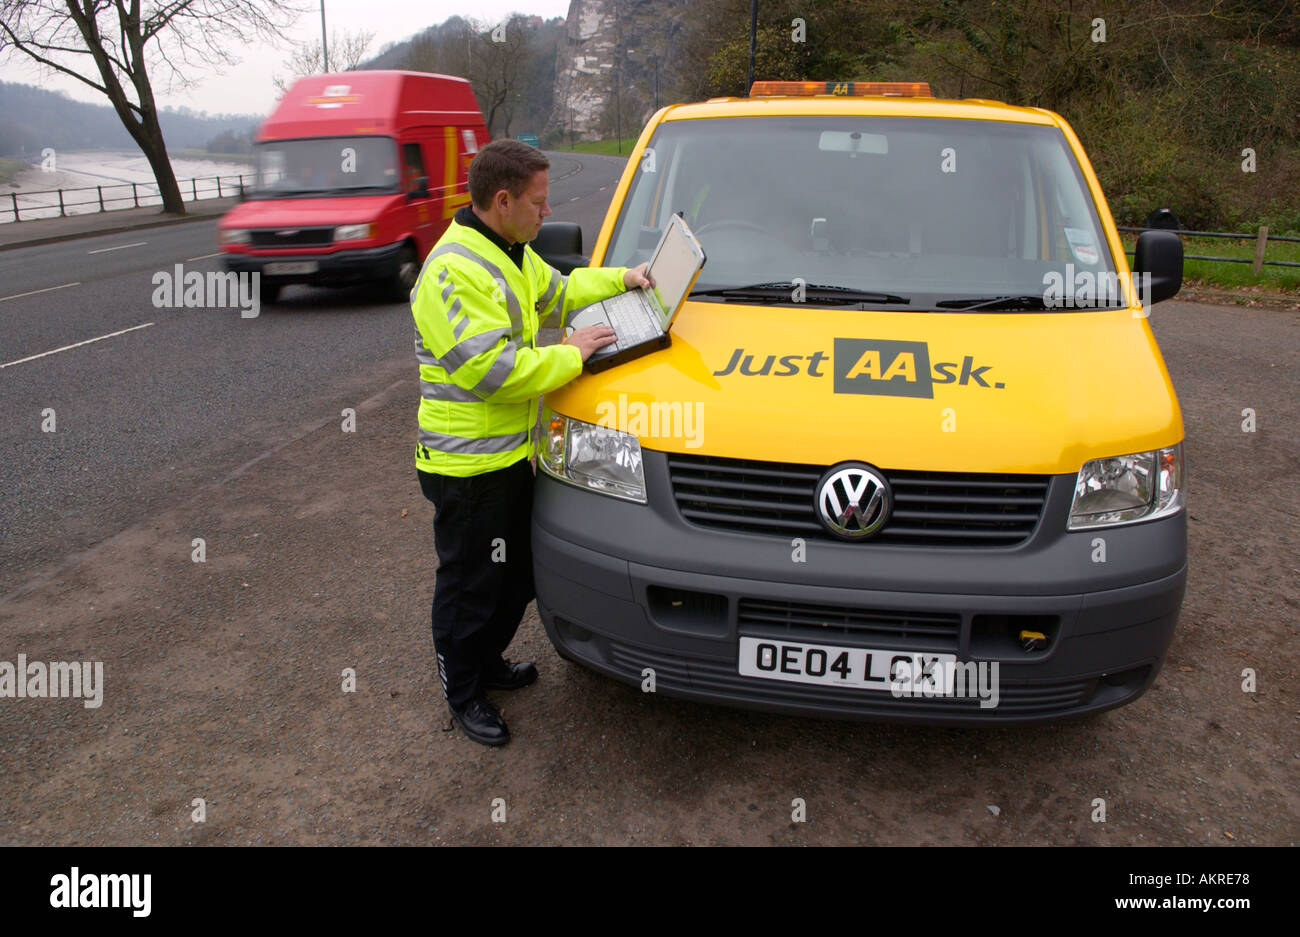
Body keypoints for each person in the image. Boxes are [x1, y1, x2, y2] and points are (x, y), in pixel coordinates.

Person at [410, 139, 651, 746]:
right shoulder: (452, 272)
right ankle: (462, 692)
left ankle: (486, 662)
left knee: (515, 576)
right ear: (502, 199)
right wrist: (572, 355)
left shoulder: (509, 251)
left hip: (511, 457)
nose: (548, 213)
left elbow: (560, 291)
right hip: (466, 469)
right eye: (539, 203)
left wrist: (625, 277)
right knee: (469, 586)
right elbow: (492, 372)